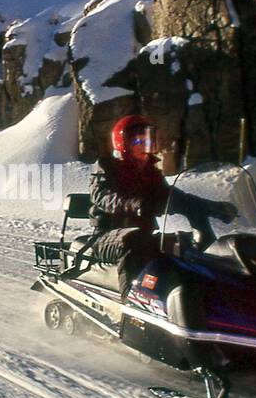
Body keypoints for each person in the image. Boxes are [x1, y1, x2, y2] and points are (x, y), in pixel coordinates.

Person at [87, 114, 236, 296]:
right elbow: (103, 196)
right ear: (122, 143)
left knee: (183, 245)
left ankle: (195, 297)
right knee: (133, 239)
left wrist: (211, 207)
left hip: (144, 235)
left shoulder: (151, 172)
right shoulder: (106, 167)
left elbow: (174, 198)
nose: (144, 148)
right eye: (137, 142)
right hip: (107, 237)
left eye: (148, 142)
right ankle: (132, 302)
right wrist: (134, 204)